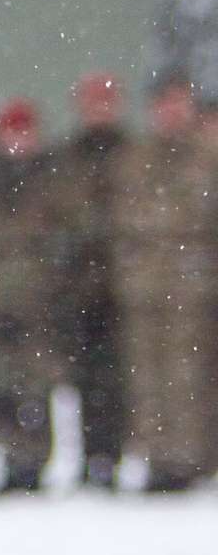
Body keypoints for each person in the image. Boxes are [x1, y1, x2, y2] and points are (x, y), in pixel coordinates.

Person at [0, 99, 69, 492]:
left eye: (24, 132)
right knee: (1, 386)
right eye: (10, 132)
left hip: (38, 304)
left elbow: (66, 242)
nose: (17, 141)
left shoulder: (52, 182)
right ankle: (9, 456)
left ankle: (35, 460)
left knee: (36, 388)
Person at [116, 73, 217, 492]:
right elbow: (120, 223)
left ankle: (188, 459)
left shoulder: (207, 157)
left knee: (188, 377)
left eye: (178, 103)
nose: (170, 112)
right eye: (163, 104)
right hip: (145, 287)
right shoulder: (136, 158)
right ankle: (156, 455)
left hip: (194, 285)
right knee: (147, 377)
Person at [58, 72, 129, 487]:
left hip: (123, 286)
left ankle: (116, 455)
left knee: (122, 380)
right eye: (91, 101)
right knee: (83, 381)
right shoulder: (67, 159)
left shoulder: (132, 155)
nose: (98, 109)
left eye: (105, 100)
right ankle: (89, 455)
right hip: (80, 286)